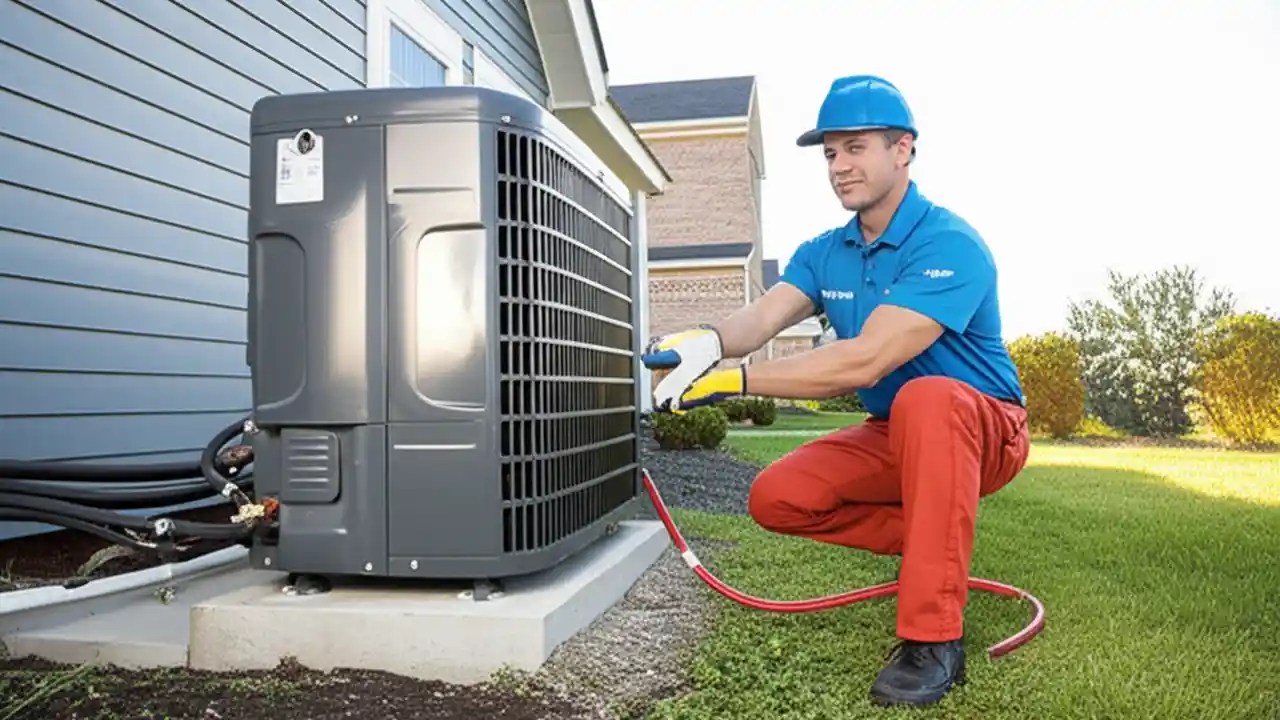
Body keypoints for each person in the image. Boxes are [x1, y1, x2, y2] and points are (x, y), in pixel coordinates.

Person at [641, 75, 1030, 708]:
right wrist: (706, 343)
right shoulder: (828, 252)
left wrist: (731, 382)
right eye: (829, 153)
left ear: (902, 149)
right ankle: (935, 534)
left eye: (855, 148)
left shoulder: (950, 245)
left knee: (928, 397)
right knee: (778, 497)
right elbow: (760, 320)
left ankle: (934, 640)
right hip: (895, 433)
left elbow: (866, 361)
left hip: (982, 426)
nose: (839, 166)